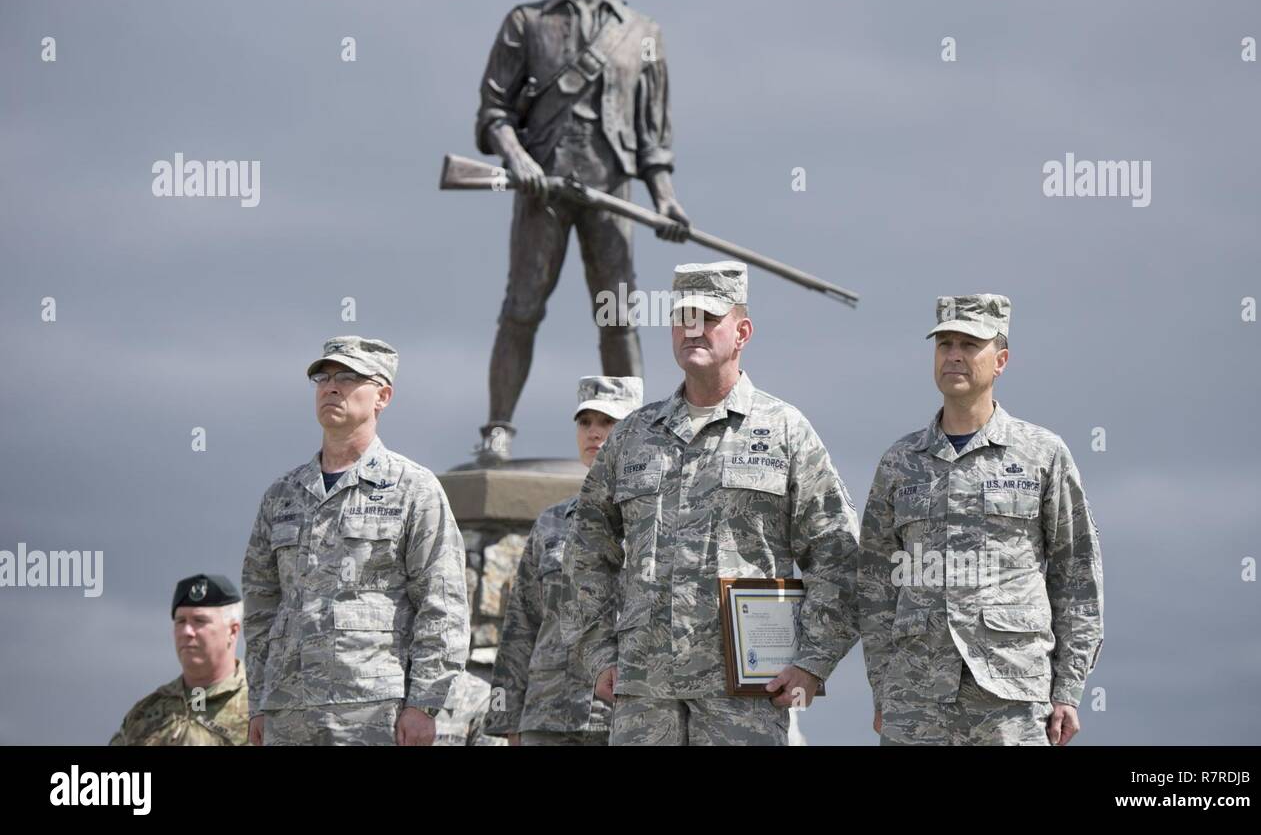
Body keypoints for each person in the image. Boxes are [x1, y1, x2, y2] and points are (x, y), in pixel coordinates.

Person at [564, 262, 859, 745]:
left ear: (742, 332)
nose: (692, 329)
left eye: (708, 317)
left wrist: (812, 662)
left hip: (743, 695)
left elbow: (838, 554)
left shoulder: (784, 430)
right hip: (645, 692)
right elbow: (585, 551)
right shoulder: (635, 436)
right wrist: (597, 654)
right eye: (682, 317)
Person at [473, 0, 691, 464]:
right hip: (543, 189)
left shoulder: (642, 31)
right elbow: (493, 112)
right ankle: (497, 430)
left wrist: (665, 199)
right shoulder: (527, 22)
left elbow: (654, 135)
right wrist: (518, 160)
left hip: (611, 191)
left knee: (618, 316)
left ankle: (639, 435)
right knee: (521, 308)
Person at [859, 295, 1104, 745]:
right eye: (944, 344)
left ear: (1001, 360)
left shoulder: (1041, 454)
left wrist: (1068, 689)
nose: (954, 355)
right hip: (917, 696)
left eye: (970, 345)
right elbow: (874, 582)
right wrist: (884, 687)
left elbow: (1076, 576)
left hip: (1011, 698)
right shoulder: (900, 462)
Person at [241, 336, 470, 745]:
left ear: (383, 395)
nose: (331, 387)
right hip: (288, 712)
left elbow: (443, 601)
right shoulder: (283, 494)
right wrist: (259, 701)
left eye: (348, 377)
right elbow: (261, 605)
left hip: (371, 713)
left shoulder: (412, 488)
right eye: (323, 377)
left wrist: (424, 704)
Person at [486, 375, 644, 745]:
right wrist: (509, 716)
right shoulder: (552, 522)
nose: (594, 432)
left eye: (608, 422)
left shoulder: (658, 522)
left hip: (628, 718)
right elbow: (522, 622)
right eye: (585, 422)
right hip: (549, 716)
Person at [109, 573, 249, 746]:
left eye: (200, 621)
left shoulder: (260, 706)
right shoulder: (145, 712)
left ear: (233, 631)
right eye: (181, 621)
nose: (187, 632)